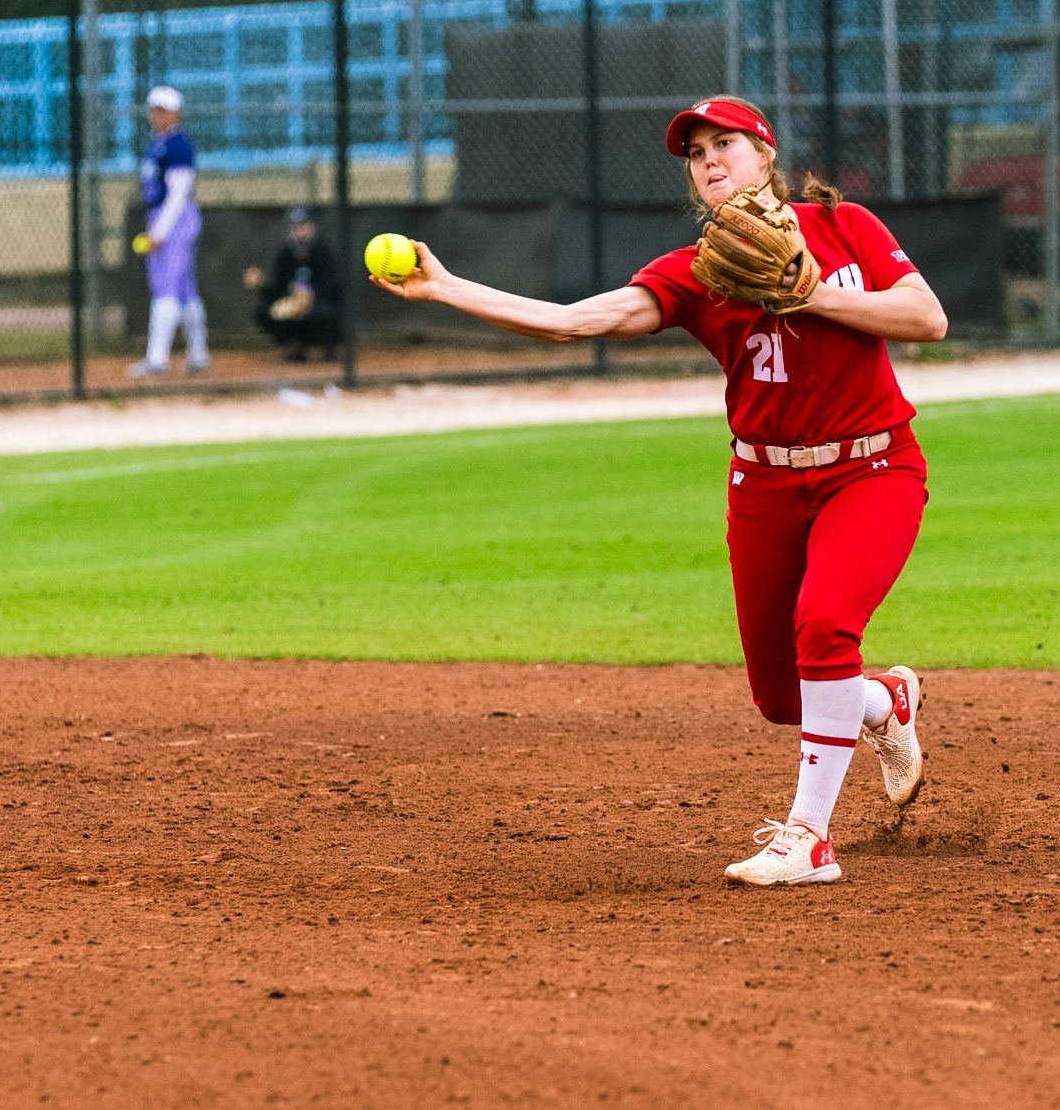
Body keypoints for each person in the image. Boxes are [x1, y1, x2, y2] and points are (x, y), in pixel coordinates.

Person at [372, 94, 948, 886]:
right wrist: (446, 289)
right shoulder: (698, 273)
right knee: (784, 696)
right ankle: (884, 703)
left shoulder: (844, 227)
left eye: (725, 143)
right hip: (767, 483)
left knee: (823, 625)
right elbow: (574, 321)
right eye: (695, 152)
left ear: (766, 154)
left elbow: (926, 317)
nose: (709, 159)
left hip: (873, 468)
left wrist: (807, 292)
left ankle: (809, 838)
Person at [129, 85, 208, 378]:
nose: (155, 115)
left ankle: (156, 359)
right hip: (163, 218)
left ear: (174, 112)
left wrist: (159, 232)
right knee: (185, 290)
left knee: (166, 289)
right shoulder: (158, 144)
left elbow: (178, 194)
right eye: (154, 109)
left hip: (174, 221)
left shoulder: (178, 146)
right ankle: (198, 354)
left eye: (162, 110)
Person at [246, 207, 342, 362]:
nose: (299, 232)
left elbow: (331, 287)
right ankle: (294, 346)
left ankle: (328, 346)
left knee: (326, 311)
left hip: (318, 306)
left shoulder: (324, 252)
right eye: (295, 228)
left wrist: (309, 297)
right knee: (267, 311)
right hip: (292, 308)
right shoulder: (284, 254)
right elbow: (276, 290)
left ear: (313, 227)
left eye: (303, 227)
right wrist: (261, 285)